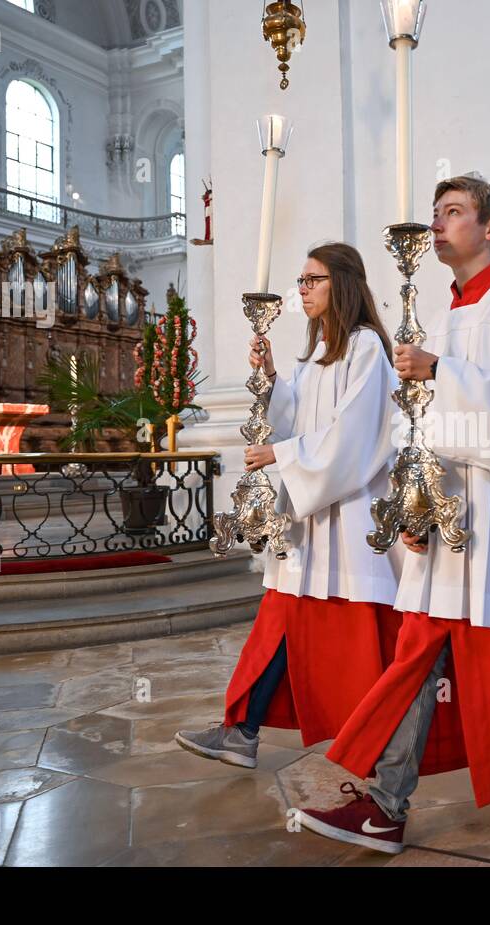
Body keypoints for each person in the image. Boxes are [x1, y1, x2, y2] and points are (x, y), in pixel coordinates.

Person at [293, 175, 490, 855]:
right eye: (435, 215)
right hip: (454, 515)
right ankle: (387, 798)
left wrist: (441, 371)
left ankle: (426, 795)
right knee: (424, 645)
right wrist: (417, 498)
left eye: (453, 213)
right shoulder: (439, 318)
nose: (437, 225)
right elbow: (415, 421)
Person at [175, 242, 403, 767]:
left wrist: (281, 452)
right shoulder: (319, 351)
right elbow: (296, 414)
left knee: (348, 635)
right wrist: (275, 379)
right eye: (300, 281)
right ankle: (243, 729)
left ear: (342, 284)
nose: (302, 290)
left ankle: (376, 744)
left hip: (347, 514)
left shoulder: (365, 346)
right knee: (278, 624)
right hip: (308, 515)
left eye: (313, 280)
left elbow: (357, 435)